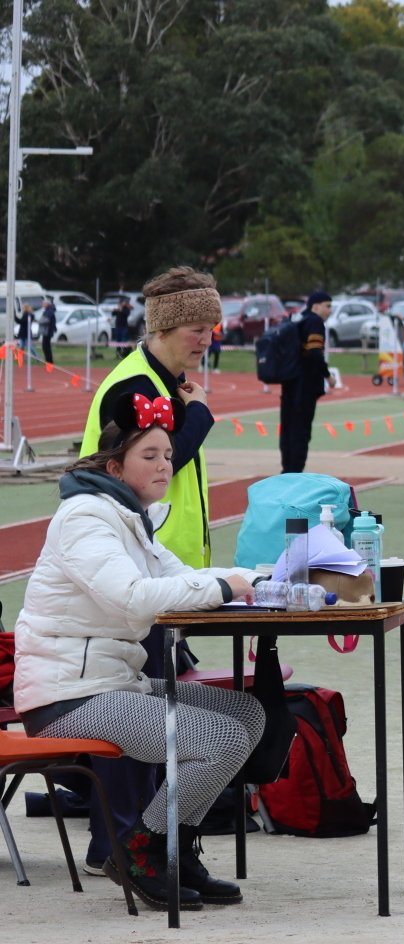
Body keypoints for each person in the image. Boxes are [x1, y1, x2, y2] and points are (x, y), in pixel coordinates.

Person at [15, 406, 264, 910]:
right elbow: (134, 597)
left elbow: (183, 578)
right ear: (114, 467)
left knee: (247, 713)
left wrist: (258, 578)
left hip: (109, 683)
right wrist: (223, 585)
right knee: (221, 739)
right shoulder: (84, 519)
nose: (164, 465)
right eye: (149, 455)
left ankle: (175, 849)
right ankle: (141, 850)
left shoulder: (131, 521)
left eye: (168, 456)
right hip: (68, 696)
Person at [74, 266, 225, 877]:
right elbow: (151, 465)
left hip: (164, 569)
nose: (207, 337)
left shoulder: (166, 383)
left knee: (153, 710)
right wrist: (200, 419)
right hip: (134, 574)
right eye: (197, 326)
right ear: (164, 325)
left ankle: (127, 842)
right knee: (139, 714)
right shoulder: (134, 387)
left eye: (212, 326)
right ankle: (120, 845)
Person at [280, 291, 330, 473]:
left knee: (288, 430)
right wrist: (328, 375)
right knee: (301, 432)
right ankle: (296, 473)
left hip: (289, 383)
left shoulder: (296, 320)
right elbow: (315, 352)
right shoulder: (315, 322)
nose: (329, 311)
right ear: (315, 306)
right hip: (306, 386)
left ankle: (287, 471)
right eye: (328, 306)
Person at [39, 297, 56, 367]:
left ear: (47, 304)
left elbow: (46, 320)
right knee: (46, 346)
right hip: (47, 331)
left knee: (46, 347)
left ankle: (49, 361)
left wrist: (40, 321)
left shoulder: (49, 311)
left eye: (43, 303)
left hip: (47, 331)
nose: (42, 304)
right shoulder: (48, 310)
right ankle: (48, 361)